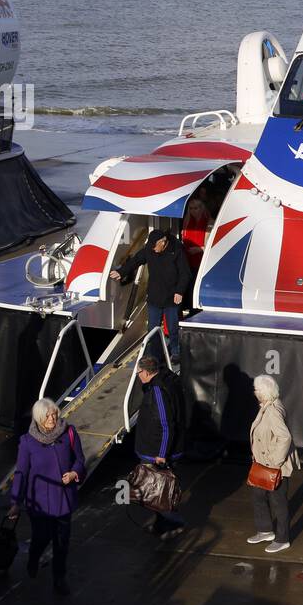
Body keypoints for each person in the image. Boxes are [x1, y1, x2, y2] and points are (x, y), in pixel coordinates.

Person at [8, 399, 85, 596]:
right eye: (48, 416)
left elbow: (79, 459)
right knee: (41, 537)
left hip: (63, 499)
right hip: (40, 502)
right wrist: (15, 502)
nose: (52, 419)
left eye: (54, 415)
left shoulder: (69, 432)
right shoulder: (27, 441)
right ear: (38, 419)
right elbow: (21, 473)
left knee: (61, 542)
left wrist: (74, 473)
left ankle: (59, 578)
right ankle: (34, 557)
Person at [109, 228, 190, 363]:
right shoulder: (149, 249)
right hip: (155, 296)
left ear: (163, 242)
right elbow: (135, 261)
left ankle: (176, 351)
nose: (153, 249)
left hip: (172, 297)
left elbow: (185, 274)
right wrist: (121, 272)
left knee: (173, 328)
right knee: (152, 328)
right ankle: (154, 354)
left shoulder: (177, 250)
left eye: (155, 246)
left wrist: (179, 291)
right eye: (151, 246)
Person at [133, 355, 186, 538]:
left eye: (139, 372)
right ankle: (161, 524)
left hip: (158, 452)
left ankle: (172, 525)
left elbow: (165, 424)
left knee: (159, 491)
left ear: (147, 372)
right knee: (159, 492)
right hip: (167, 448)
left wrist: (162, 454)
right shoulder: (168, 378)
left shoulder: (157, 389)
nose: (138, 376)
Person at [247, 374, 299, 554]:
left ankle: (282, 539)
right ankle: (265, 530)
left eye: (256, 389)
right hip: (262, 464)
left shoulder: (273, 411)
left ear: (264, 392)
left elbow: (285, 437)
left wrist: (274, 462)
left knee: (279, 502)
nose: (254, 392)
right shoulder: (265, 407)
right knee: (258, 495)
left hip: (275, 466)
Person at [180, 197, 212, 276]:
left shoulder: (210, 222)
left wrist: (200, 249)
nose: (193, 211)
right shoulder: (187, 221)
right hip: (187, 260)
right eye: (190, 208)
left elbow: (213, 244)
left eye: (195, 208)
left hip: (202, 261)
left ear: (201, 208)